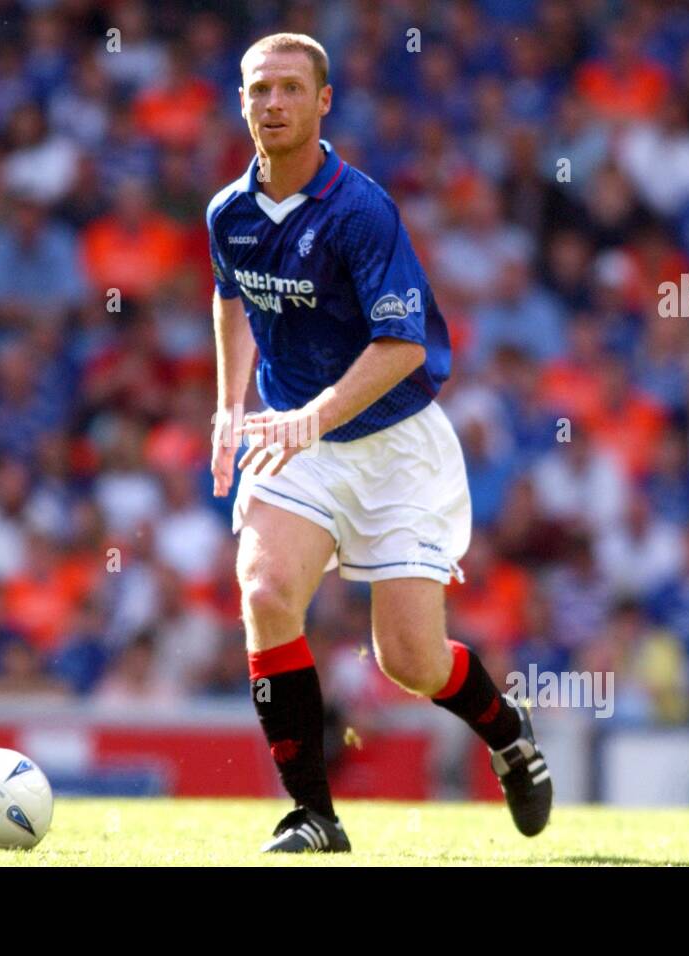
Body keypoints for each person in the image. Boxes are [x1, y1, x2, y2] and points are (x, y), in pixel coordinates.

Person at [206, 33, 553, 853]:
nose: (275, 105)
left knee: (409, 660)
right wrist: (227, 405)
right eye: (260, 91)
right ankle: (313, 815)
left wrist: (313, 415)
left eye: (292, 89)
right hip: (300, 440)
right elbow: (230, 296)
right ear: (242, 102)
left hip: (395, 446)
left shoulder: (361, 209)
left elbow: (401, 348)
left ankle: (508, 733)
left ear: (324, 102)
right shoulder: (229, 211)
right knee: (264, 590)